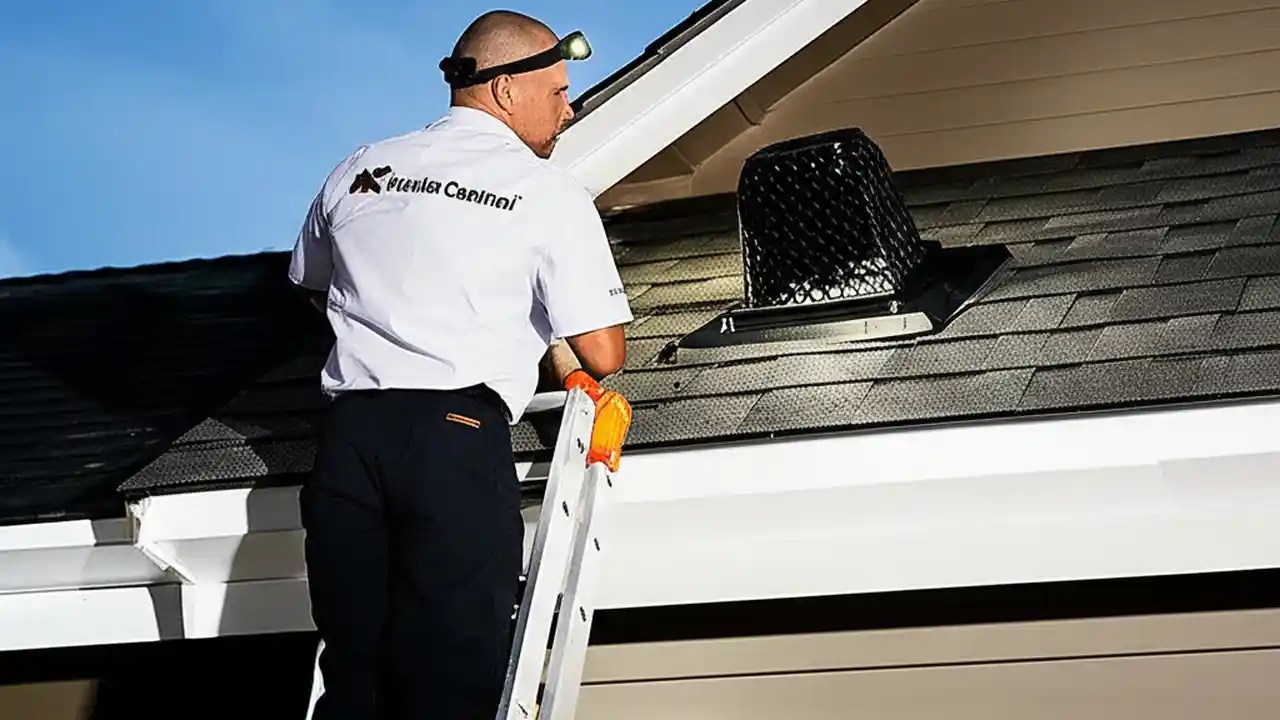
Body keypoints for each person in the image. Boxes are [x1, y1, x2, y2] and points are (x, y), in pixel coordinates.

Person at [286, 10, 633, 719]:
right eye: (559, 91)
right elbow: (604, 351)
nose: (569, 109)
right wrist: (551, 348)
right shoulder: (547, 192)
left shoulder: (362, 167)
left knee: (354, 671)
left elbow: (312, 285)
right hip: (453, 436)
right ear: (506, 90)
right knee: (451, 671)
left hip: (349, 443)